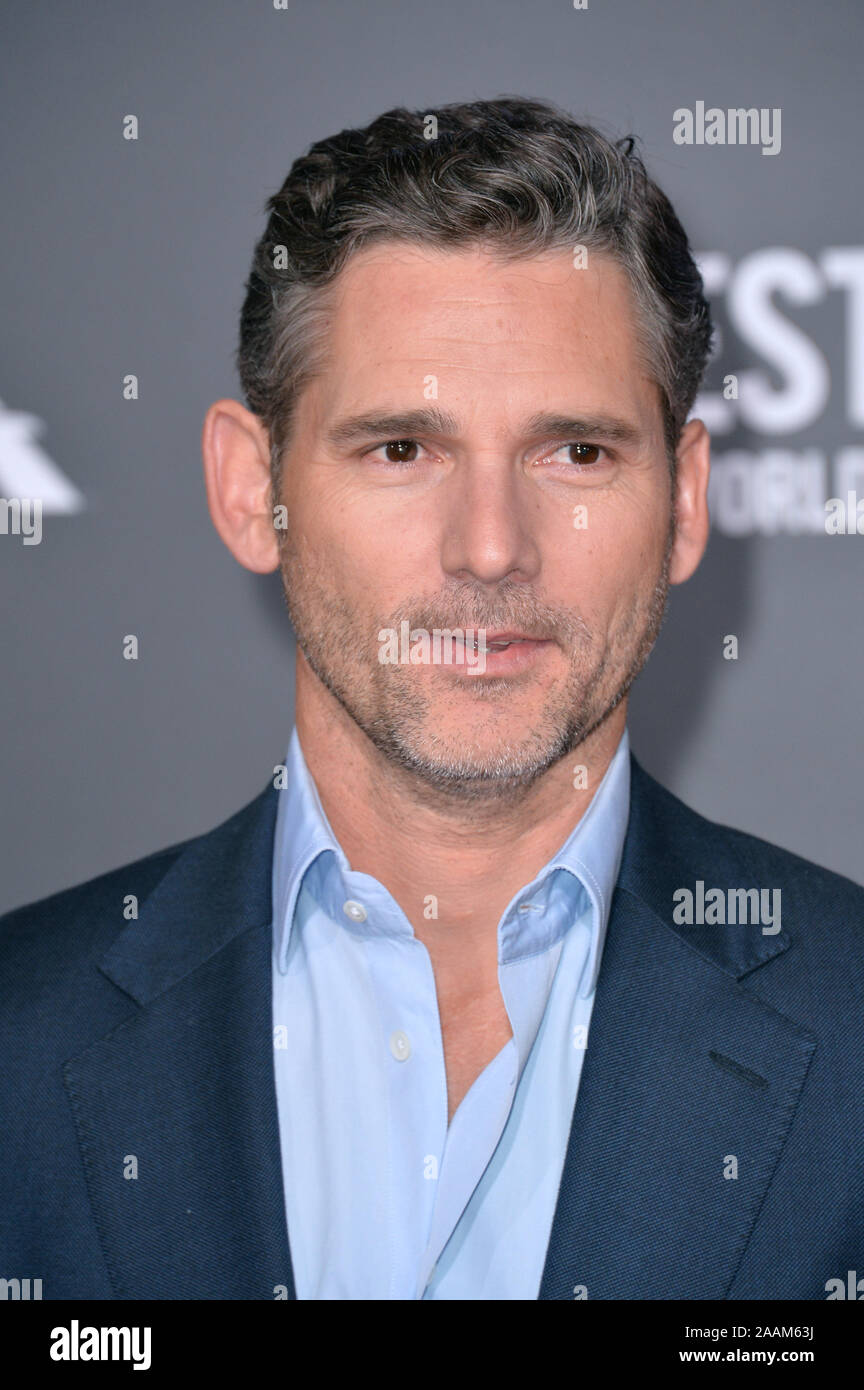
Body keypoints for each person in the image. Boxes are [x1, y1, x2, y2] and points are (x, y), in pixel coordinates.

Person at [1, 98, 862, 1301]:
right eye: (402, 449)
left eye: (577, 451)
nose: (491, 547)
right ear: (255, 492)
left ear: (683, 502)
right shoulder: (16, 1042)